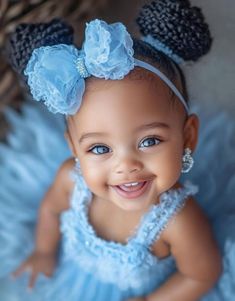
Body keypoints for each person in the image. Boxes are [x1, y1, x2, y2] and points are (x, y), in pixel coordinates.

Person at [3, 0, 233, 300]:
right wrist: (44, 251)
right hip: (73, 284)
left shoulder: (178, 221)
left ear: (188, 137)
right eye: (99, 148)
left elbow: (202, 273)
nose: (126, 165)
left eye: (149, 141)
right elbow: (49, 211)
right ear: (73, 147)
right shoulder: (70, 182)